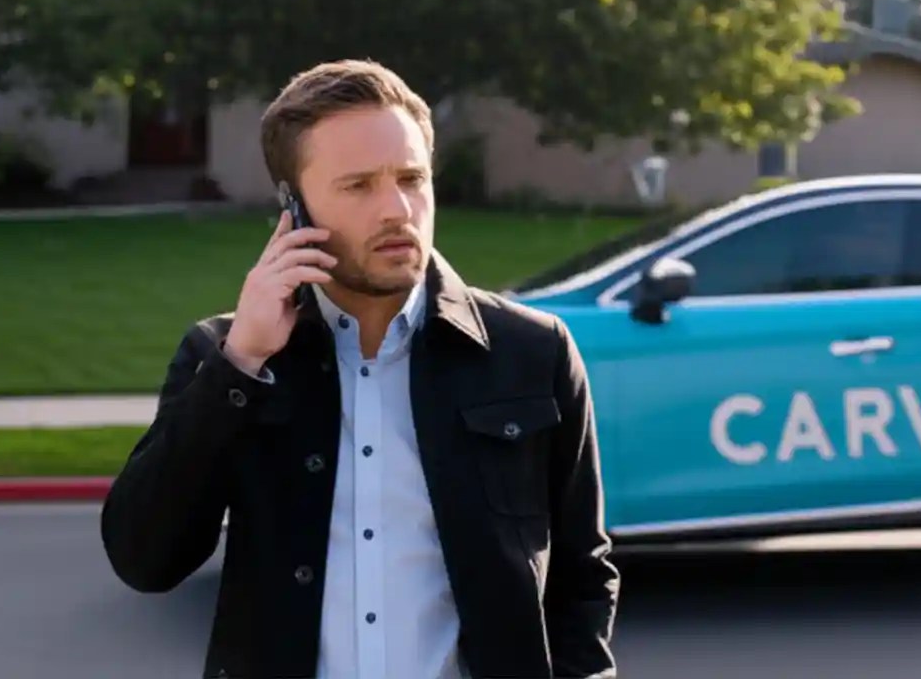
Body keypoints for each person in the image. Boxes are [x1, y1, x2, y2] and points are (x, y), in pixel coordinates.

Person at [100, 59, 620, 679]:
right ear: (293, 210)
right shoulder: (225, 359)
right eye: (358, 186)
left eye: (411, 179)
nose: (396, 209)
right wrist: (239, 366)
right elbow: (145, 560)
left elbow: (582, 578)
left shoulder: (532, 353)